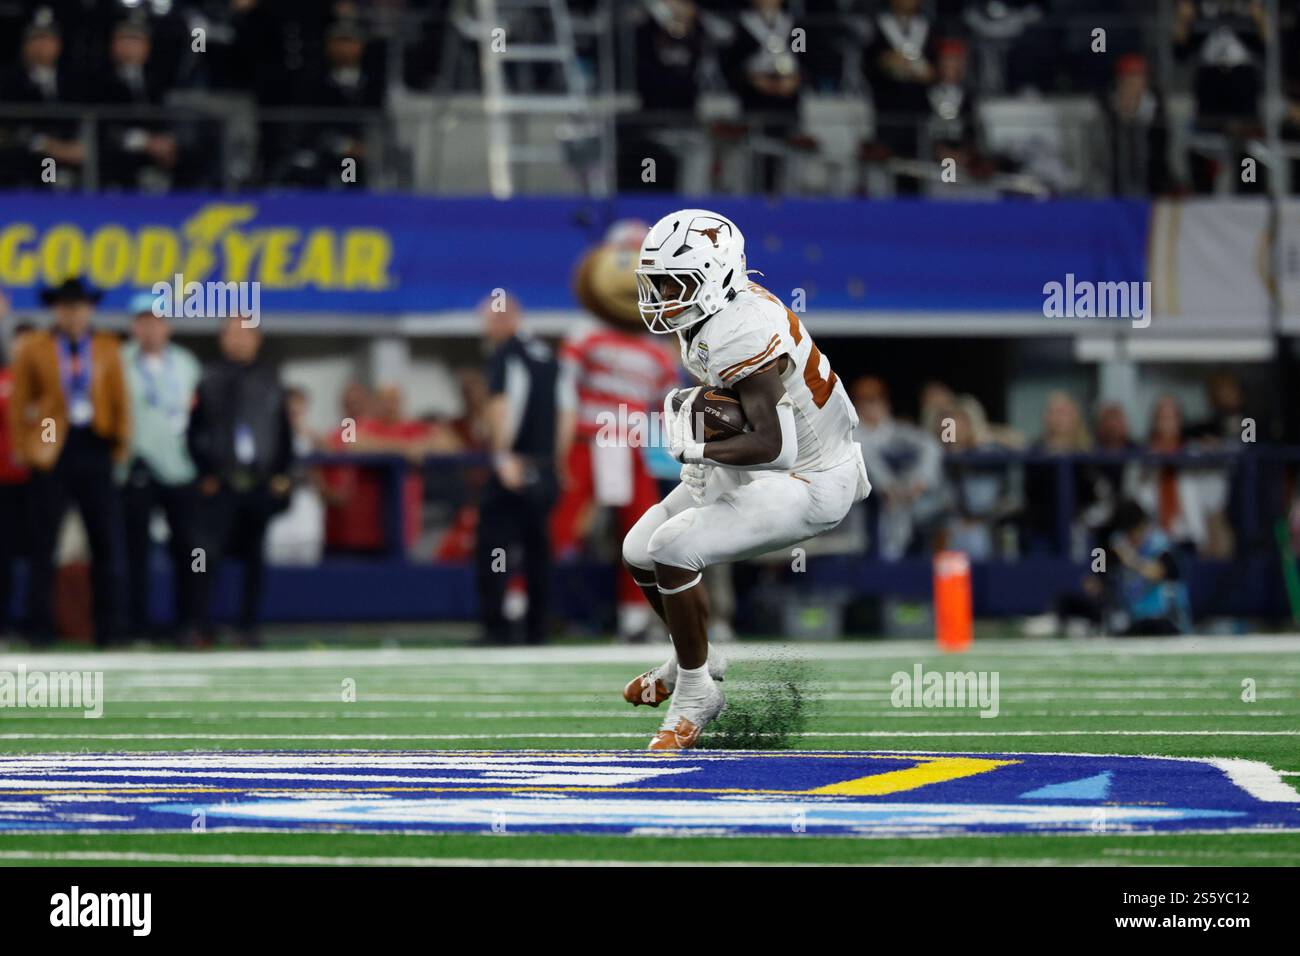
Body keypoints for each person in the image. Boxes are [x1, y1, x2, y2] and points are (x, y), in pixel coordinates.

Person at [622, 209, 871, 749]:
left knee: (672, 547)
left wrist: (698, 446)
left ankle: (696, 691)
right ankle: (699, 657)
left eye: (672, 282)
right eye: (656, 281)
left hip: (812, 477)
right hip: (770, 463)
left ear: (716, 276)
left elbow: (771, 446)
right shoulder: (714, 316)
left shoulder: (742, 330)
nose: (660, 294)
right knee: (638, 547)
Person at [8, 277, 129, 646]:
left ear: (89, 310)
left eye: (78, 306)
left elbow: (119, 399)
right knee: (44, 542)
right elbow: (22, 402)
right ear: (55, 310)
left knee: (105, 541)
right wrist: (31, 449)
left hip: (95, 441)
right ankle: (39, 627)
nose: (73, 313)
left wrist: (119, 446)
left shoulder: (107, 346)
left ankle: (108, 628)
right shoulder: (37, 346)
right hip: (53, 441)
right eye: (65, 306)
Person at [187, 316, 293, 647]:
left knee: (255, 557)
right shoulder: (208, 379)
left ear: (258, 339)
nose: (239, 340)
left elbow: (283, 432)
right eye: (233, 333)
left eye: (246, 333)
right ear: (222, 339)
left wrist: (280, 473)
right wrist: (206, 473)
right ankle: (201, 624)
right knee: (204, 556)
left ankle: (248, 626)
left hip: (258, 483)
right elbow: (194, 432)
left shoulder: (271, 380)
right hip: (220, 483)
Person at [475, 293, 575, 645]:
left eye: (487, 321)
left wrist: (503, 456)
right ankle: (537, 628)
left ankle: (497, 627)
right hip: (545, 468)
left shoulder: (506, 355)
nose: (485, 329)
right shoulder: (549, 356)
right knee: (537, 549)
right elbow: (567, 413)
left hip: (515, 465)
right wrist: (557, 463)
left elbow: (501, 406)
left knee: (494, 547)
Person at [120, 292, 202, 641]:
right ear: (133, 327)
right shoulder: (118, 361)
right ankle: (136, 623)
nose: (150, 329)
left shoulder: (186, 364)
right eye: (143, 322)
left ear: (167, 326)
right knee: (133, 550)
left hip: (181, 468)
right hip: (135, 467)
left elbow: (200, 414)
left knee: (189, 549)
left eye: (156, 321)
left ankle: (188, 622)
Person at [852, 375, 944, 559]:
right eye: (866, 401)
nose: (872, 405)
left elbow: (930, 445)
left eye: (876, 399)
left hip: (906, 505)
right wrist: (887, 486)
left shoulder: (896, 430)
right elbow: (861, 448)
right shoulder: (849, 432)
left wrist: (920, 480)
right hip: (862, 513)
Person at [0, 304, 32, 639]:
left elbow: (52, 426)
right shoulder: (4, 381)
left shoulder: (48, 386)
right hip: (4, 480)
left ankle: (36, 621)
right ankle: (6, 622)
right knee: (4, 555)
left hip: (38, 482)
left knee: (39, 553)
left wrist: (43, 450)